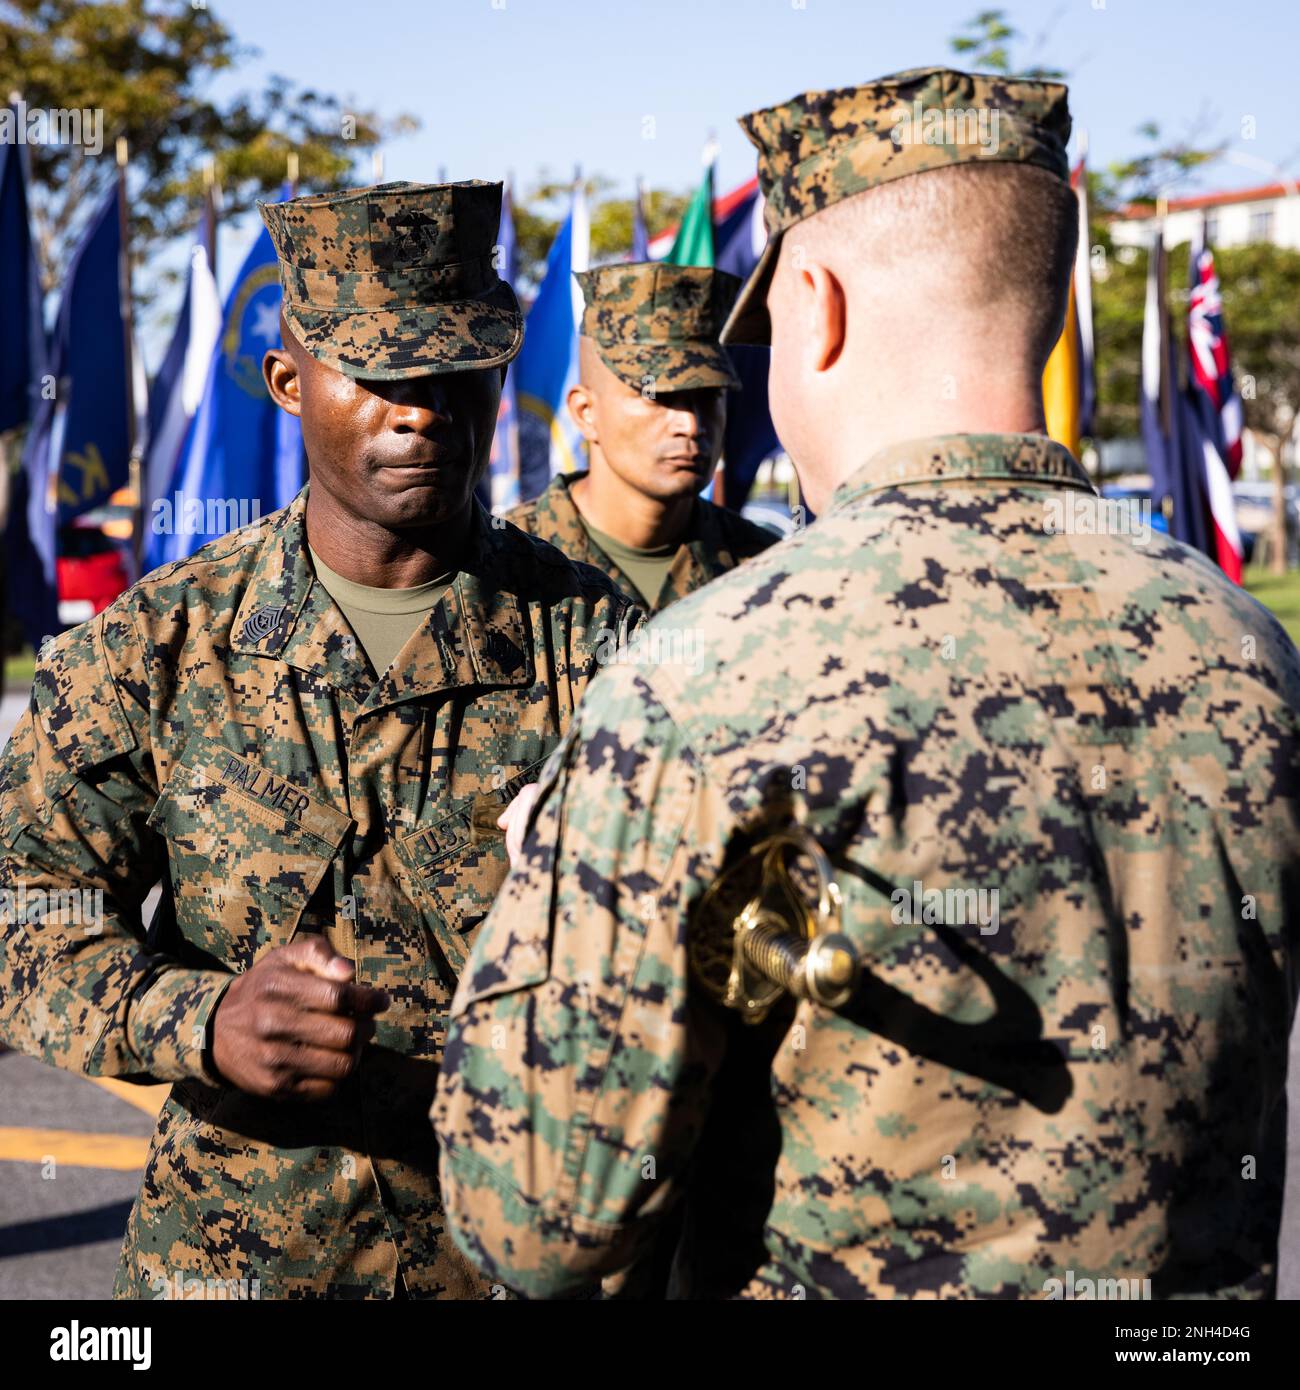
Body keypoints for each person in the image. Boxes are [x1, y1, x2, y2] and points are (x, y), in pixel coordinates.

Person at [432, 68, 1300, 1299]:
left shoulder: (706, 676)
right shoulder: (1247, 648)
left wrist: (544, 898)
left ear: (815, 304)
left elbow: (535, 1226)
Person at [0, 179, 635, 1299]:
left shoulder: (612, 649)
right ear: (289, 383)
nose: (421, 408)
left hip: (522, 1262)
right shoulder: (158, 646)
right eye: (378, 373)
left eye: (455, 369)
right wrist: (199, 1019)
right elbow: (23, 913)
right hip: (239, 1261)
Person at [506, 262, 775, 612]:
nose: (690, 425)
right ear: (586, 413)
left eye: (710, 396)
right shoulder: (499, 567)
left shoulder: (768, 568)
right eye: (657, 396)